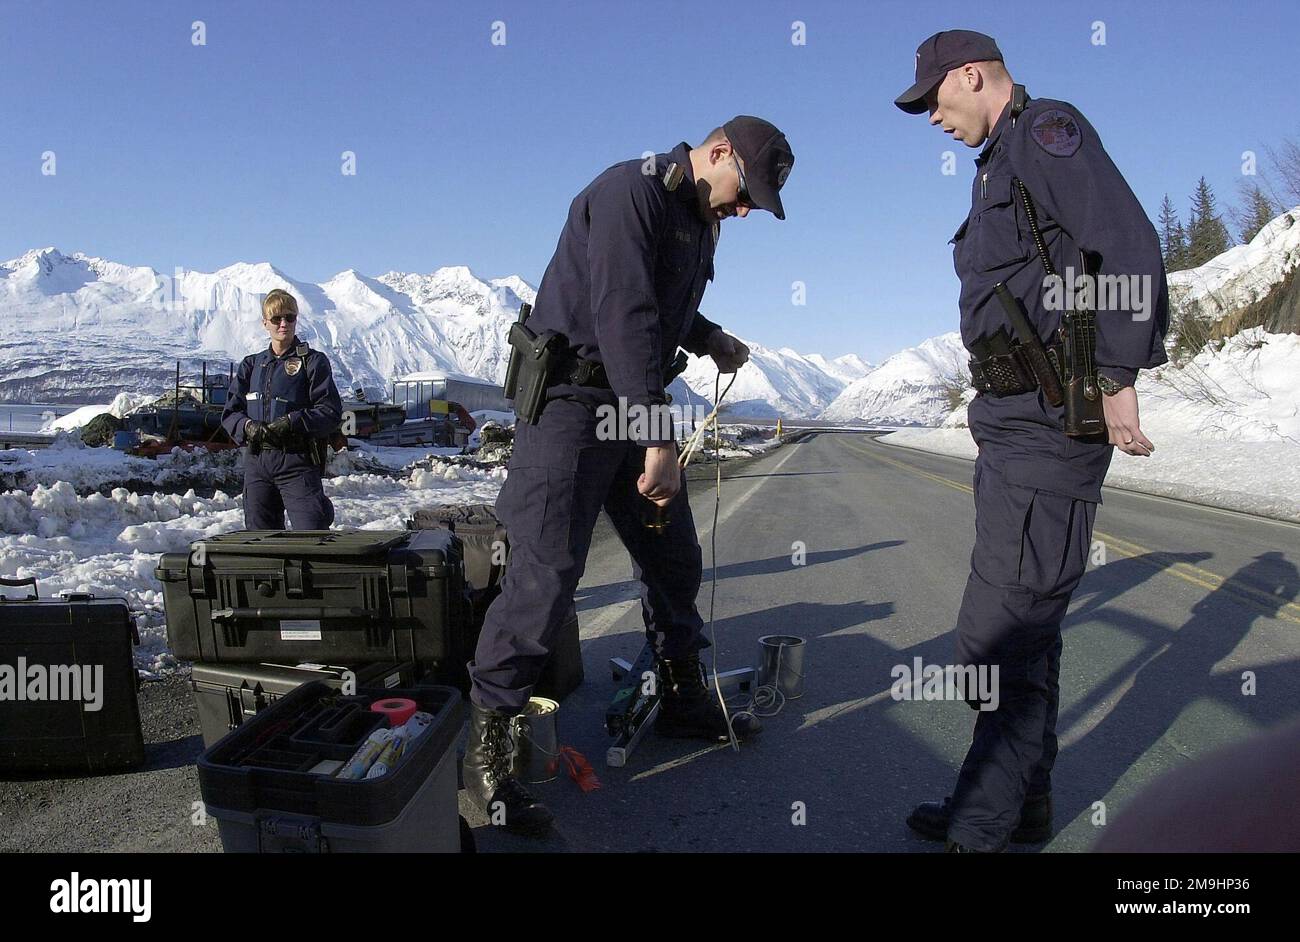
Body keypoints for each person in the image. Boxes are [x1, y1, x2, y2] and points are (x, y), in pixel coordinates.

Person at [462, 117, 795, 836]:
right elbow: (625, 314)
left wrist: (706, 335)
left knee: (674, 557)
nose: (743, 212)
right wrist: (659, 439)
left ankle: (680, 694)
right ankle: (486, 754)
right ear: (717, 153)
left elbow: (663, 304)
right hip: (572, 409)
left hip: (626, 402)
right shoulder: (631, 193)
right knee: (545, 574)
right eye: (745, 195)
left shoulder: (696, 216)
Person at [893, 30, 1168, 852]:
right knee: (1026, 626)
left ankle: (981, 825)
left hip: (1053, 418)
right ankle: (1020, 803)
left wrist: (1115, 377)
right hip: (1012, 423)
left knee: (997, 632)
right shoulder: (997, 163)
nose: (932, 120)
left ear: (971, 76)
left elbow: (1127, 245)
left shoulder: (1047, 132)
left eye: (934, 101)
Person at [221, 288, 343, 530]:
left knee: (312, 534)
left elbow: (330, 412)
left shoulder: (313, 362)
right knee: (260, 540)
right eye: (276, 318)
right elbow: (230, 413)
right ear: (265, 322)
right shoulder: (252, 365)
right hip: (258, 462)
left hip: (296, 460)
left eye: (290, 317)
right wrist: (247, 426)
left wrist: (293, 422)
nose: (284, 324)